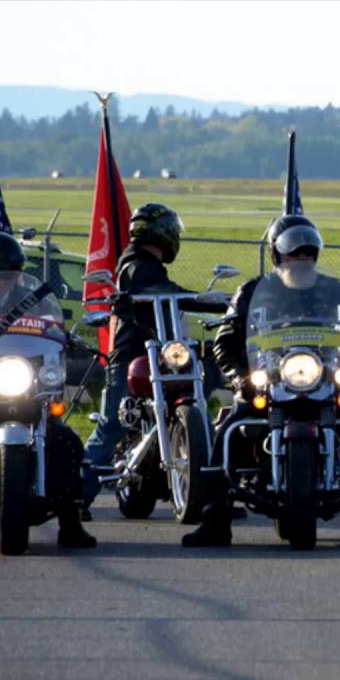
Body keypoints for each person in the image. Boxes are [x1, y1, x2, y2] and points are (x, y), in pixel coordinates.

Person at [181, 214, 340, 547]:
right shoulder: (252, 291)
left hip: (325, 382)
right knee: (228, 434)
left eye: (308, 254)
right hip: (266, 382)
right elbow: (225, 339)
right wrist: (241, 379)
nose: (302, 259)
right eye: (294, 254)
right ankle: (214, 521)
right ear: (277, 255)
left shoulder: (337, 291)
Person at [0, 230, 95, 548]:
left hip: (24, 383)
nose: (7, 281)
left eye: (12, 272)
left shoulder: (34, 300)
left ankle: (72, 523)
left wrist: (67, 336)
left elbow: (51, 326)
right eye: (0, 273)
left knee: (63, 439)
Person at [81, 203, 210, 519]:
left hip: (160, 354)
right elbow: (158, 290)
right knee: (111, 425)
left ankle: (207, 493)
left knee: (194, 408)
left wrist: (215, 301)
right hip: (132, 354)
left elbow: (167, 291)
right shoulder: (135, 265)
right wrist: (201, 298)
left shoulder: (147, 265)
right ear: (165, 233)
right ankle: (74, 494)